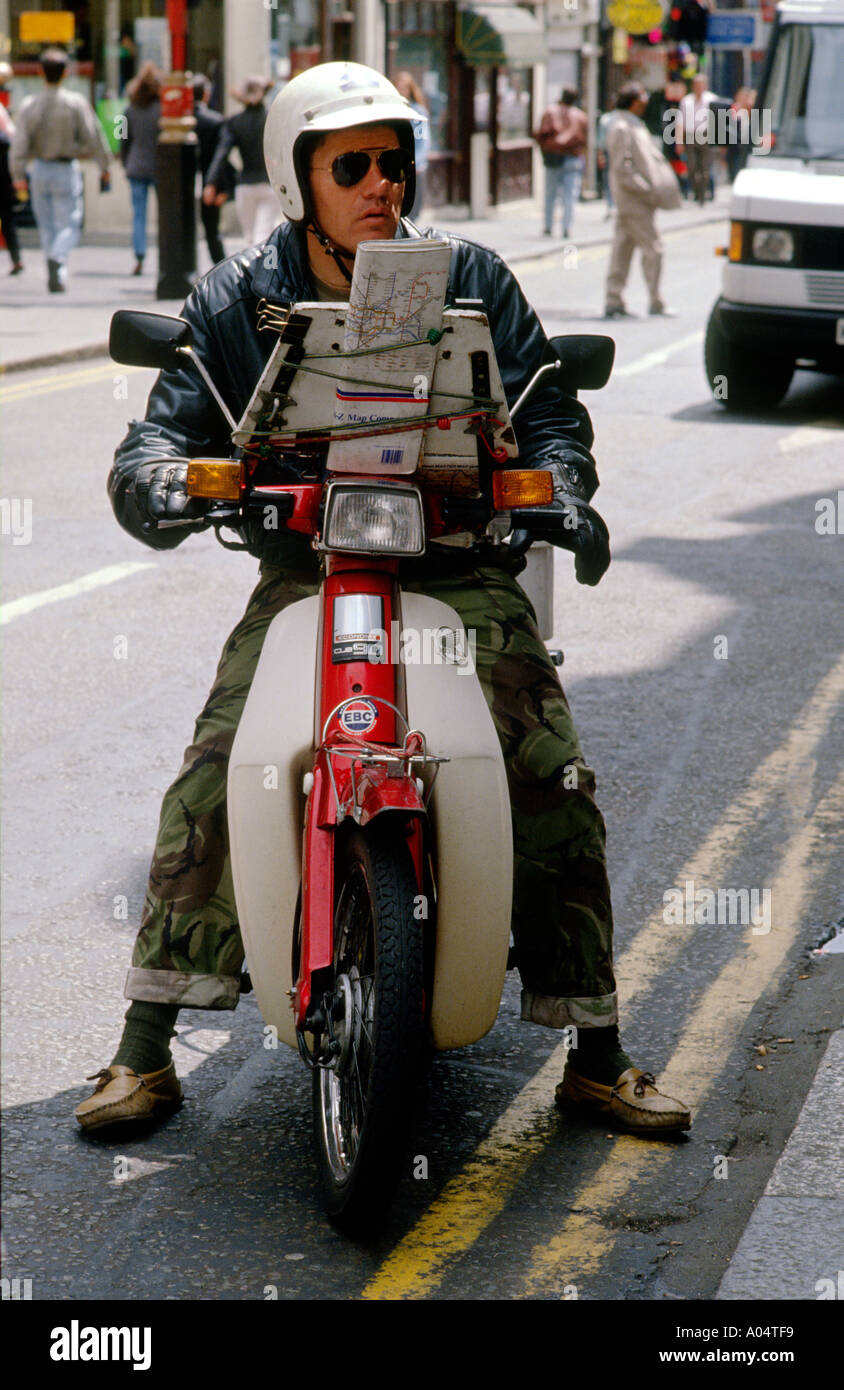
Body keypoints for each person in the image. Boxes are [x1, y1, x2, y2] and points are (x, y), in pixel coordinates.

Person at [76, 62, 691, 1140]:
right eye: (350, 164)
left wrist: (567, 493)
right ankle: (143, 1046)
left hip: (456, 567)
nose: (379, 184)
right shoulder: (233, 297)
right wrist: (165, 480)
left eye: (392, 163)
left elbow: (551, 413)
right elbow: (157, 436)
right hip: (304, 574)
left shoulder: (472, 277)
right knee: (216, 770)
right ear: (296, 174)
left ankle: (596, 1050)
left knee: (553, 771)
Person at [10, 47, 111, 292]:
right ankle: (57, 258)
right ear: (65, 72)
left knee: (46, 224)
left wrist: (18, 174)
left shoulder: (29, 104)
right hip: (65, 169)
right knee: (69, 223)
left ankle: (57, 270)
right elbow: (93, 135)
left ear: (39, 72)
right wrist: (104, 165)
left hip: (40, 170)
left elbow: (19, 143)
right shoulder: (74, 103)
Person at [604, 82, 677, 320]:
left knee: (622, 250)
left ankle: (613, 300)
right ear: (634, 101)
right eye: (643, 96)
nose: (646, 101)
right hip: (634, 200)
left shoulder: (631, 124)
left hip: (634, 200)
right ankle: (656, 301)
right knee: (654, 249)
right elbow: (622, 168)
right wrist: (646, 189)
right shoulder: (622, 127)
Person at [204, 75, 276, 247]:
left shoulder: (235, 122)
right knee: (263, 236)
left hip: (245, 186)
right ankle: (262, 271)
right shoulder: (272, 118)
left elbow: (221, 154)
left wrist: (211, 182)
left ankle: (254, 271)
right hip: (269, 184)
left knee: (251, 238)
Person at [122, 62, 160, 276]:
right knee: (164, 214)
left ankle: (139, 256)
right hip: (158, 167)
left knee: (139, 215)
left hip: (136, 165)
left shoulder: (129, 109)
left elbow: (122, 137)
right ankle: (164, 253)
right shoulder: (161, 110)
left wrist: (125, 162)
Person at [534, 86, 588, 240]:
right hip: (572, 158)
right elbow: (584, 141)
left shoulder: (549, 111)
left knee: (550, 194)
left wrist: (545, 150)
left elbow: (540, 135)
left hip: (553, 157)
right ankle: (566, 228)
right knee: (569, 196)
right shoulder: (580, 116)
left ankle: (548, 226)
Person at [192, 73, 233, 265]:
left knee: (185, 228)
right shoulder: (215, 121)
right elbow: (221, 157)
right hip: (210, 183)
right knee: (212, 231)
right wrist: (219, 186)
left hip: (186, 182)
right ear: (206, 94)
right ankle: (220, 269)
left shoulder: (185, 120)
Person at [677, 71, 718, 205]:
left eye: (701, 84)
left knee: (705, 168)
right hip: (691, 136)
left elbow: (718, 121)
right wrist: (679, 142)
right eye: (697, 85)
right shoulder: (686, 101)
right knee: (692, 167)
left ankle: (702, 195)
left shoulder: (712, 99)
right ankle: (696, 192)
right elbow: (680, 122)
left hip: (706, 135)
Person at [393, 70, 429, 221]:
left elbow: (423, 141)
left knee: (413, 207)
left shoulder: (418, 112)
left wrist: (414, 163)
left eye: (405, 87)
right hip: (395, 166)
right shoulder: (391, 110)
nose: (402, 90)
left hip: (415, 168)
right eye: (398, 87)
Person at [0, 66, 24, 275]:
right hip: (4, 172)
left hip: (5, 173)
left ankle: (17, 259)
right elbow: (13, 137)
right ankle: (16, 259)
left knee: (8, 218)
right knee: (8, 219)